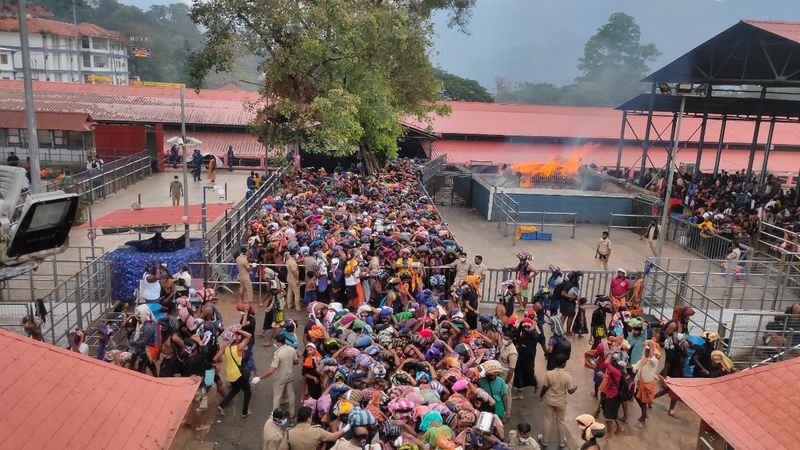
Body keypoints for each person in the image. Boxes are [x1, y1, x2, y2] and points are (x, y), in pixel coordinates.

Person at [537, 354, 577, 449]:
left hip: (550, 400)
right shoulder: (568, 376)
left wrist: (541, 396)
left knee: (547, 421)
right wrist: (575, 388)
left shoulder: (549, 374)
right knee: (561, 422)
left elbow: (545, 387)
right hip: (561, 402)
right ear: (563, 364)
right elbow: (570, 391)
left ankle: (544, 441)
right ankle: (561, 442)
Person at [256, 334, 299, 415]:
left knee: (277, 397)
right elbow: (296, 361)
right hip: (290, 375)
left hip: (280, 378)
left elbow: (271, 370)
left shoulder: (278, 354)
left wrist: (260, 378)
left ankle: (275, 415)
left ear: (279, 343)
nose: (274, 344)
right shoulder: (291, 349)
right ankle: (292, 413)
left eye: (275, 342)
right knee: (291, 394)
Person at [216, 327, 253, 418]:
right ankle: (244, 412)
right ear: (233, 339)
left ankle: (221, 406)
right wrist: (237, 330)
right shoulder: (238, 348)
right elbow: (249, 336)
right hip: (238, 374)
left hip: (229, 374)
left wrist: (216, 365)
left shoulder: (224, 348)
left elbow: (215, 358)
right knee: (247, 392)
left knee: (235, 389)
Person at [280, 406, 345, 450]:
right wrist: (345, 429)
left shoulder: (289, 433)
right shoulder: (317, 431)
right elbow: (334, 437)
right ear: (308, 419)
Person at [632, 340, 660, 426]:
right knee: (636, 395)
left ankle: (643, 419)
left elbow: (652, 361)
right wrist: (631, 366)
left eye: (648, 350)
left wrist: (651, 349)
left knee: (643, 401)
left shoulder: (655, 359)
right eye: (645, 350)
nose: (646, 351)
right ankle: (644, 414)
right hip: (639, 381)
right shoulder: (645, 357)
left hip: (646, 383)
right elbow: (638, 364)